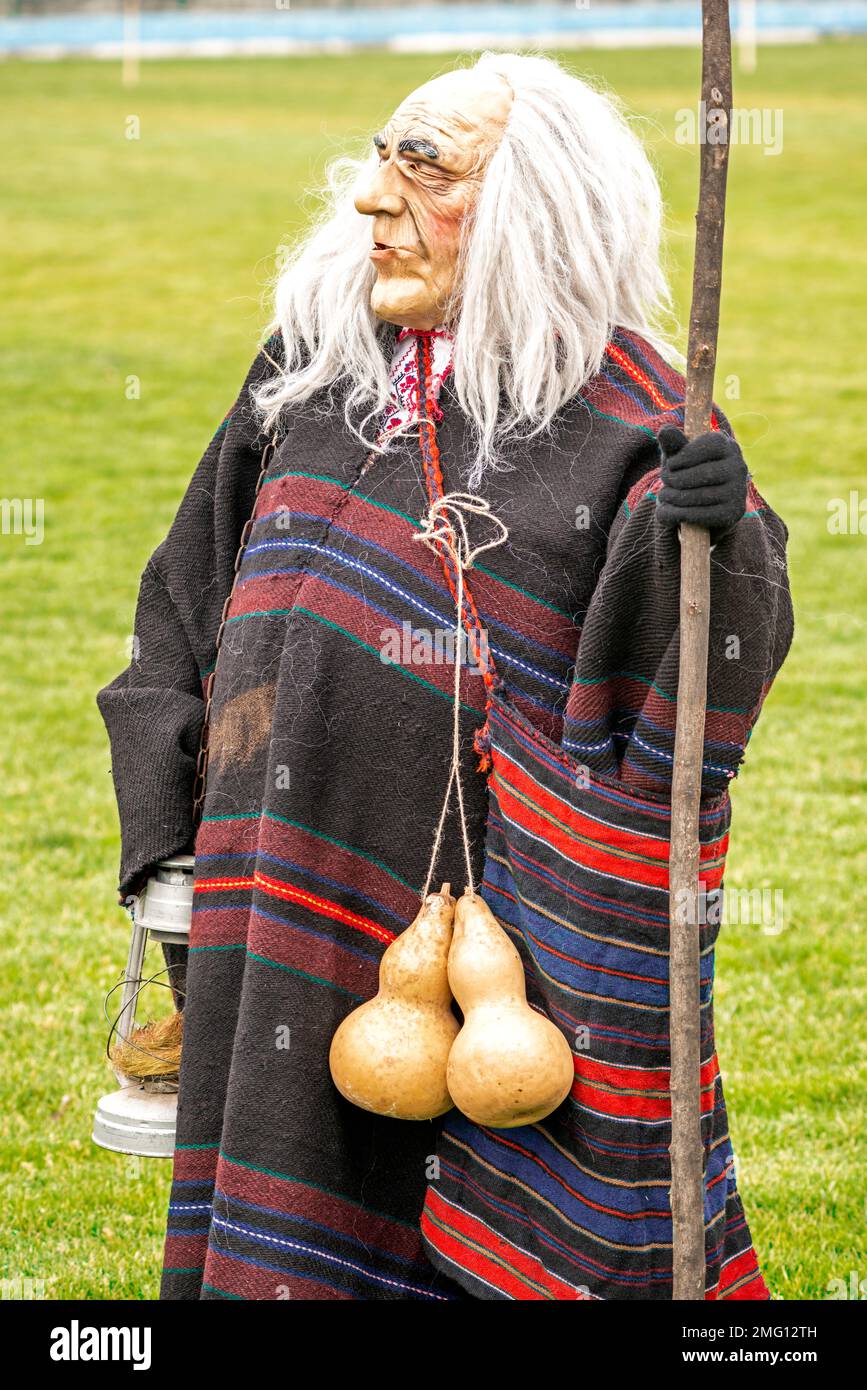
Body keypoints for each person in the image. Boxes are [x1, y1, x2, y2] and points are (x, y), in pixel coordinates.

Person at [98, 52, 793, 1300]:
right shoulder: (310, 371)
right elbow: (181, 605)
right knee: (288, 1225)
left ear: (537, 208)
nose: (370, 196)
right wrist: (168, 828)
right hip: (286, 891)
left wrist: (722, 530)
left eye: (424, 168)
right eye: (380, 155)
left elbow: (693, 693)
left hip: (506, 952)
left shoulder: (635, 416)